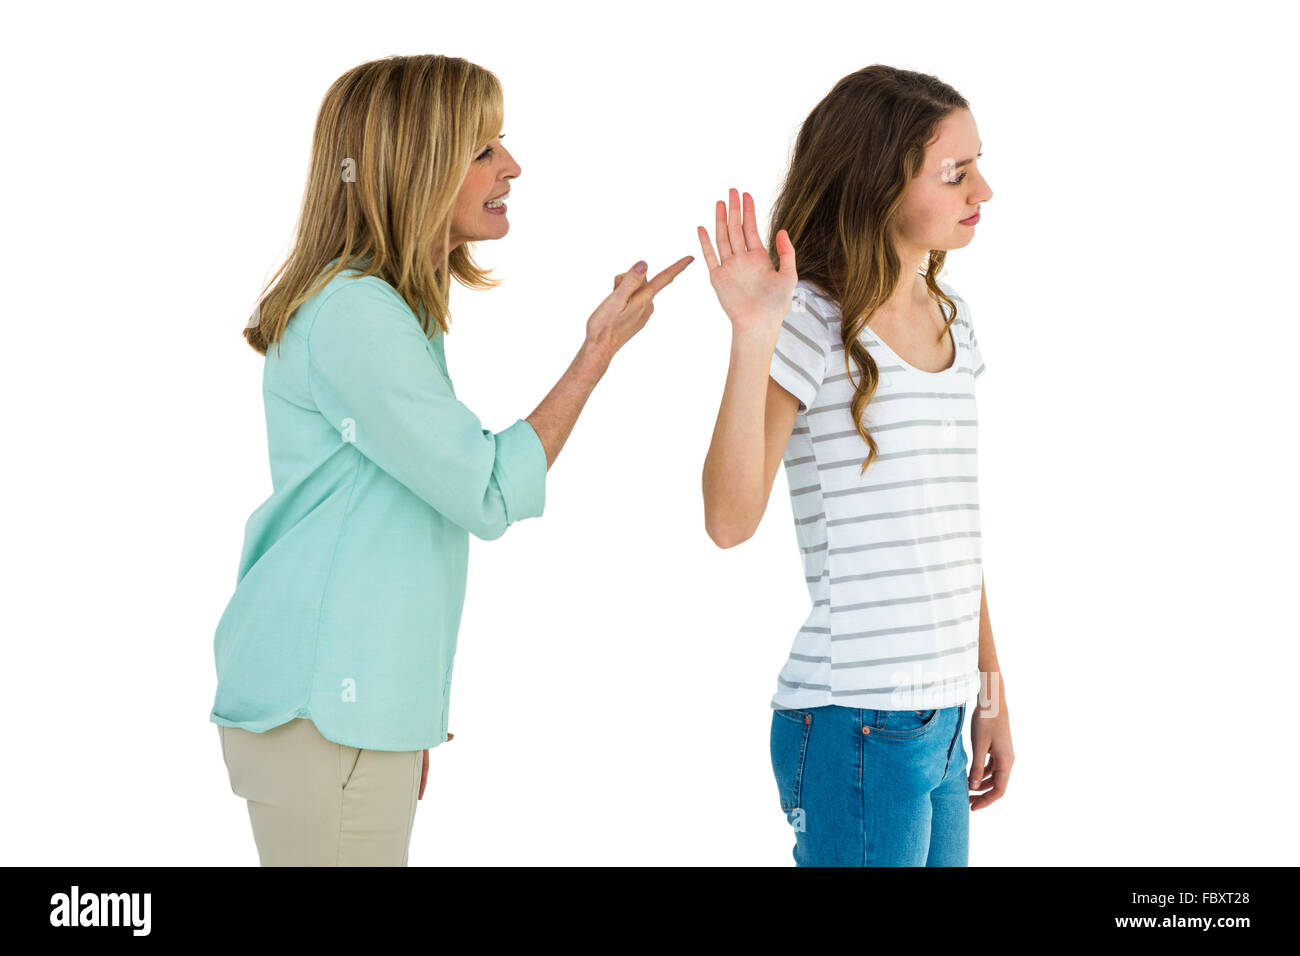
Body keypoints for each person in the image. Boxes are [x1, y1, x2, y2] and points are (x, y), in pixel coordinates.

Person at [210, 53, 692, 866]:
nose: (512, 167)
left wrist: (397, 712)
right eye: (483, 150)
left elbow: (396, 519)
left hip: (341, 717)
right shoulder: (357, 316)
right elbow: (486, 493)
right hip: (324, 717)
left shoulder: (388, 312)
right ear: (415, 164)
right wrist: (596, 352)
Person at [698, 64, 1013, 866]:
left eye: (978, 163)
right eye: (957, 172)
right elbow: (729, 519)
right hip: (858, 724)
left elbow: (955, 534)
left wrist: (989, 693)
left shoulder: (954, 319)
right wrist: (751, 333)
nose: (985, 188)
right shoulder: (806, 318)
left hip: (941, 720)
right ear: (880, 183)